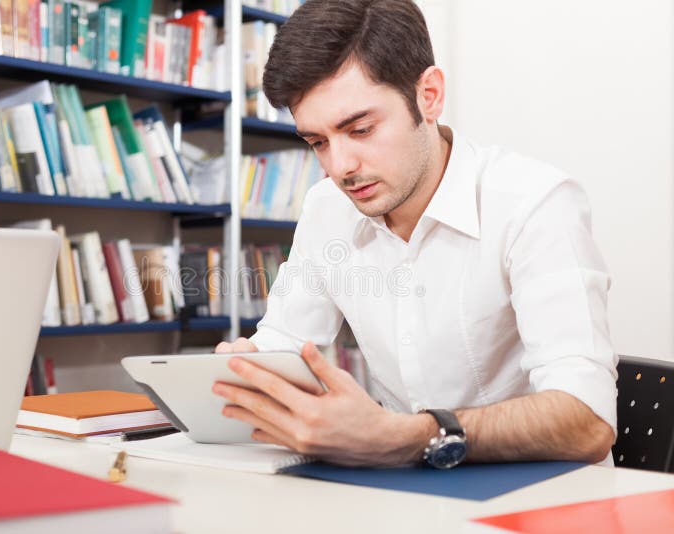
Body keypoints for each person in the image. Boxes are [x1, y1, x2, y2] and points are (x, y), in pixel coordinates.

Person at [214, 0, 616, 468]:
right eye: (318, 143)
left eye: (360, 129)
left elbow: (587, 420)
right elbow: (283, 341)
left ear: (429, 95)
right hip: (405, 492)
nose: (339, 167)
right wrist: (247, 370)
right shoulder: (327, 209)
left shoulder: (535, 203)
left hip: (539, 496)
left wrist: (406, 435)